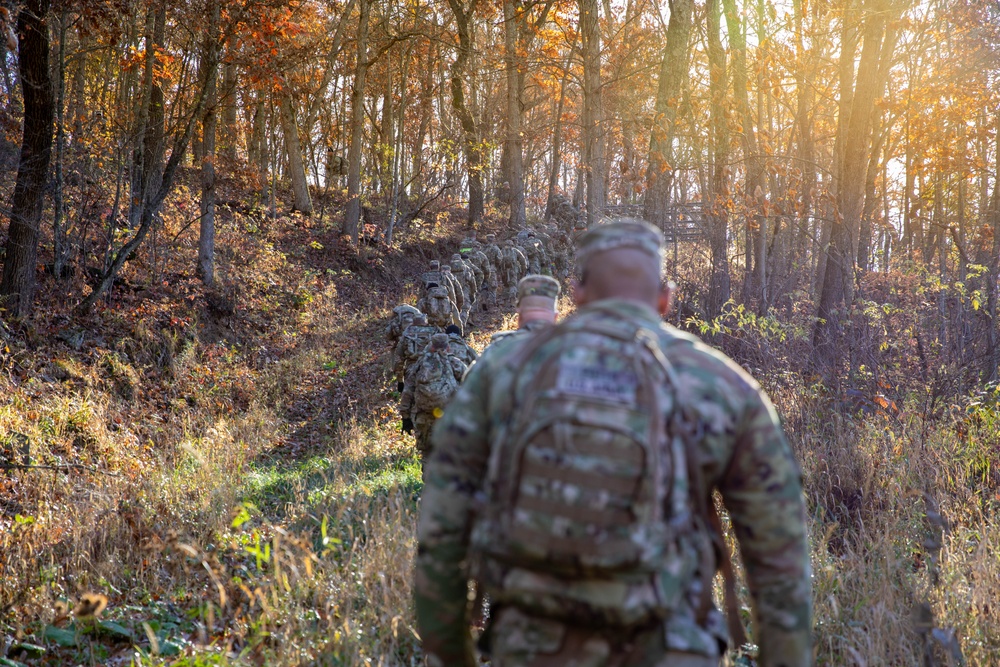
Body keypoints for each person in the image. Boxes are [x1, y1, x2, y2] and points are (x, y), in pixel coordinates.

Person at [415, 219, 811, 667]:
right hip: (671, 648)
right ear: (665, 296)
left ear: (577, 293)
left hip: (532, 648)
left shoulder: (504, 370)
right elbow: (780, 559)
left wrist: (451, 651)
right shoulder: (719, 385)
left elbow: (442, 526)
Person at [400, 333, 467, 457]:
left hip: (424, 417)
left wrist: (405, 417)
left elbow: (408, 390)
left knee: (427, 454)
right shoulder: (454, 363)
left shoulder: (420, 364)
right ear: (448, 347)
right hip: (449, 417)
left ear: (431, 347)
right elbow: (470, 384)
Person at [393, 313, 441, 391]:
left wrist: (400, 380)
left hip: (411, 369)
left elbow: (399, 359)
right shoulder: (435, 331)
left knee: (409, 397)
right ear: (425, 321)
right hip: (431, 369)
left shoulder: (407, 333)